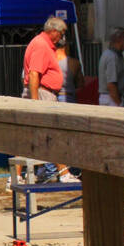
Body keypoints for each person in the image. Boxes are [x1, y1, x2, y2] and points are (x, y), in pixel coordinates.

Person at [21, 14, 66, 183]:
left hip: (43, 92)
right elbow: (34, 74)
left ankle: (32, 172)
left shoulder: (42, 44)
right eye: (61, 33)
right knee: (51, 134)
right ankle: (64, 172)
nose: (62, 38)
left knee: (38, 135)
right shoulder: (41, 45)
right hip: (42, 93)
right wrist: (35, 103)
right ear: (54, 31)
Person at [55, 37, 84, 184]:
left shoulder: (51, 61)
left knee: (55, 134)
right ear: (66, 46)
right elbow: (81, 83)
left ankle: (54, 168)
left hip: (54, 98)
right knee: (71, 135)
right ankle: (71, 168)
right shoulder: (74, 63)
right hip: (69, 98)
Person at [97, 29, 124, 106]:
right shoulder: (112, 56)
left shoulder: (115, 55)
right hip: (112, 99)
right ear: (119, 39)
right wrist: (119, 104)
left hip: (112, 97)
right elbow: (111, 84)